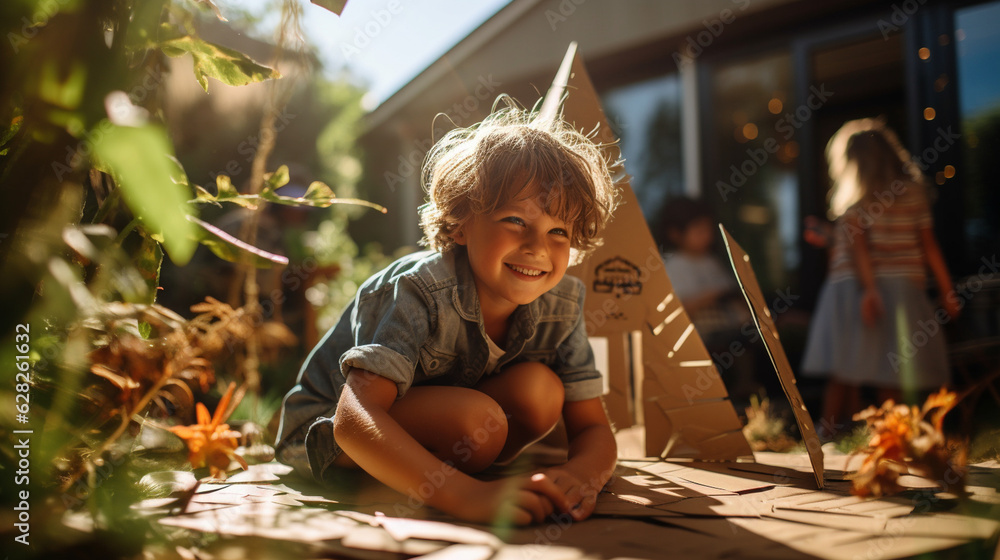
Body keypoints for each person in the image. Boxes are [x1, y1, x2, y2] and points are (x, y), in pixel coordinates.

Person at [275, 99, 620, 526]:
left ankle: (444, 471)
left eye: (558, 231)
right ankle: (439, 481)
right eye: (515, 220)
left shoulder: (562, 303)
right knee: (480, 423)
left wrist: (580, 475)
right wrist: (465, 497)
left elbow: (593, 428)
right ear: (461, 224)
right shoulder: (419, 290)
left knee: (541, 390)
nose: (538, 247)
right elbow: (351, 420)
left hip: (450, 428)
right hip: (329, 433)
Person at [801, 118, 959, 432]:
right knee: (894, 367)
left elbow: (861, 250)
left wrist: (870, 290)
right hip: (906, 290)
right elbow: (928, 245)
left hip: (870, 289)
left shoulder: (856, 199)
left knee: (852, 365)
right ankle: (902, 433)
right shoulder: (913, 192)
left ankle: (834, 432)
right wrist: (947, 290)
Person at [660, 197, 755, 403]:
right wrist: (714, 295)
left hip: (728, 329)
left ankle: (746, 390)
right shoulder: (674, 267)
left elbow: (735, 297)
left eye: (708, 230)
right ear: (676, 234)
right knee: (740, 342)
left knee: (748, 338)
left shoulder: (712, 262)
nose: (707, 236)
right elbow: (677, 311)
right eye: (699, 231)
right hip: (702, 336)